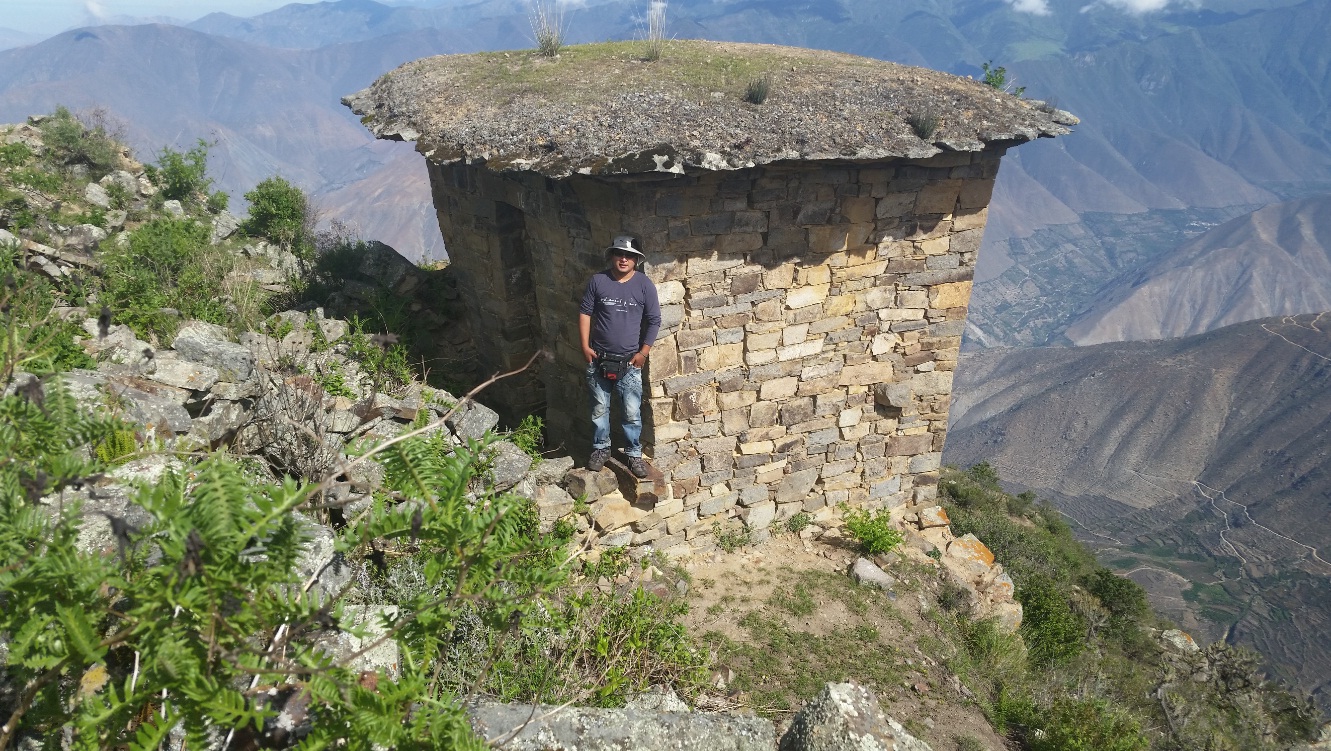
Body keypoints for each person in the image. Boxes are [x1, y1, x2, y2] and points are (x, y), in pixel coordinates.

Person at [579, 235, 661, 478]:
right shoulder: (598, 281)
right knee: (599, 409)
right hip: (599, 358)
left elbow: (655, 320)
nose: (623, 259)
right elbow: (585, 313)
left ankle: (634, 454)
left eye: (629, 256)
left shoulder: (644, 285)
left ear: (636, 260)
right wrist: (585, 347)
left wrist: (643, 353)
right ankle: (600, 449)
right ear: (612, 256)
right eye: (619, 254)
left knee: (631, 412)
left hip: (629, 362)